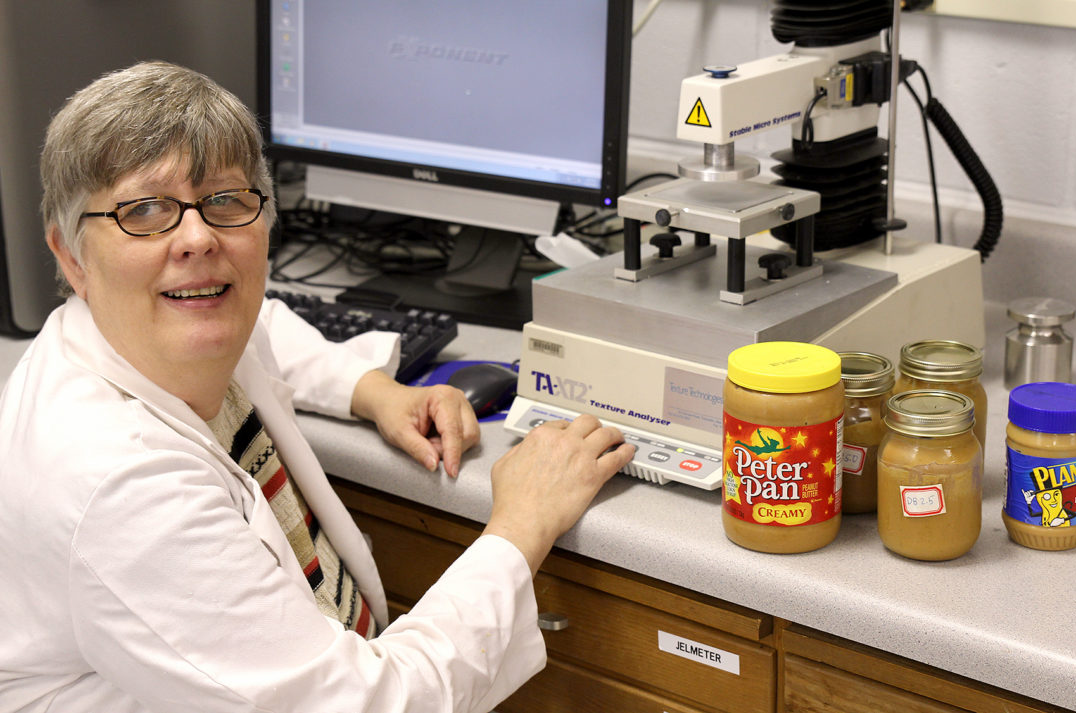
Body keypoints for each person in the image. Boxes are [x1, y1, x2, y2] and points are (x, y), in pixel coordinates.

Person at [0, 61, 634, 713]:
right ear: (71, 255)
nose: (198, 238)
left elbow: (264, 323)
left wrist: (377, 392)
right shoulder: (120, 485)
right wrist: (522, 523)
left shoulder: (150, 327)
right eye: (144, 210)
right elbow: (371, 704)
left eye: (225, 199)